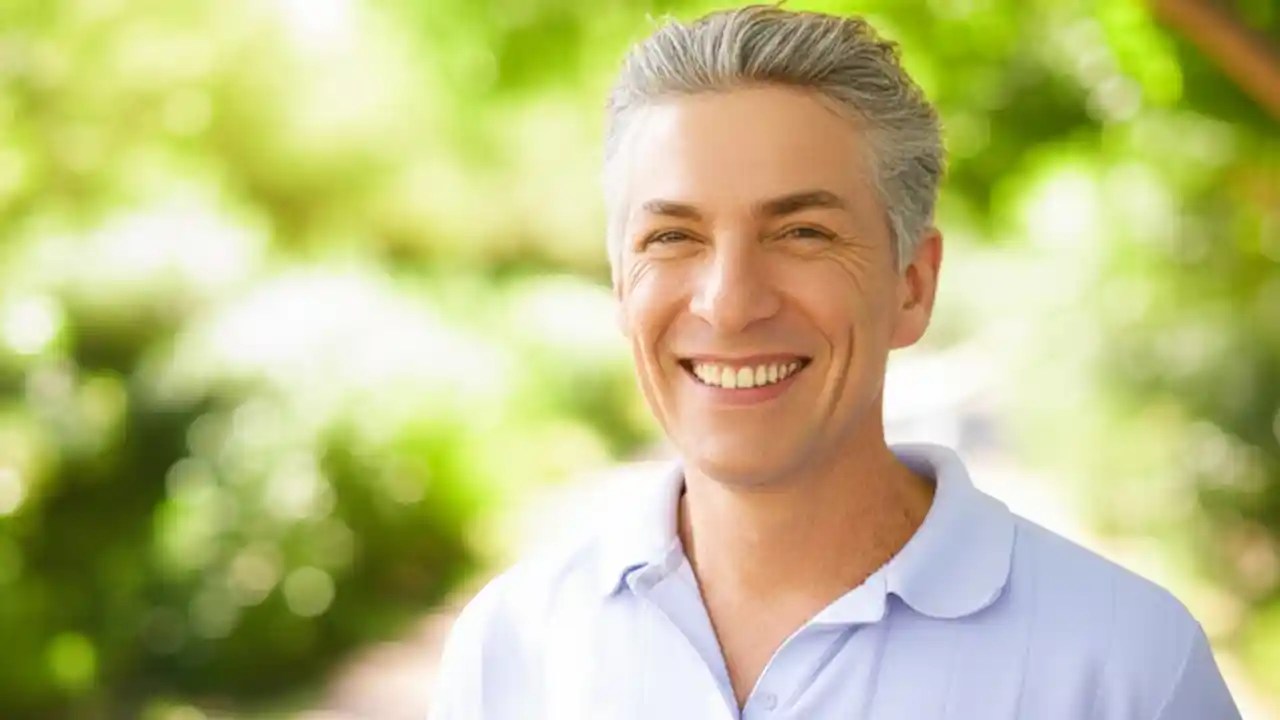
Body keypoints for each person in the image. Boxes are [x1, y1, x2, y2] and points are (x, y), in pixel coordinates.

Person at [429, 6, 1241, 719]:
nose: (729, 302)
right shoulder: (512, 649)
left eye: (802, 232)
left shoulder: (1128, 671)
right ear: (619, 290)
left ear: (912, 287)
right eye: (672, 236)